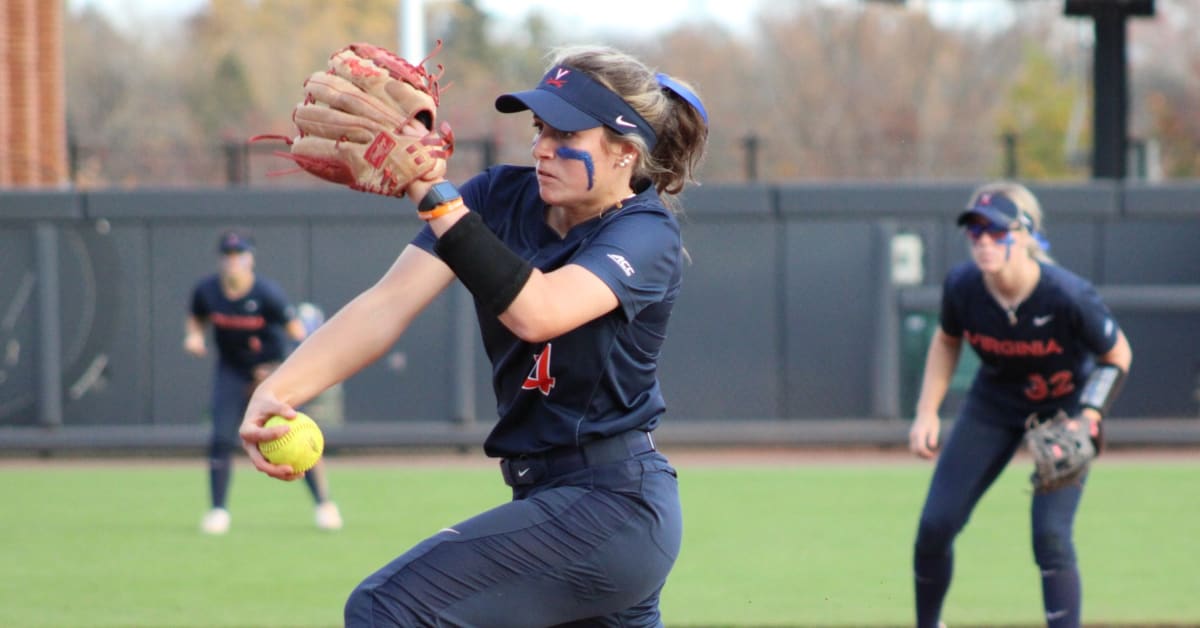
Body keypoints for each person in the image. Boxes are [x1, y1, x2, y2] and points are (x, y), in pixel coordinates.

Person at [239, 45, 708, 626]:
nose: (541, 147)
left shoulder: (645, 233)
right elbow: (386, 305)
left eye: (566, 135)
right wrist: (277, 391)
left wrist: (432, 196)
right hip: (555, 502)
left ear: (624, 152)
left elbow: (539, 311)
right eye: (540, 127)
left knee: (387, 608)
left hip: (610, 505)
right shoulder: (498, 198)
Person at [907, 182, 1133, 628]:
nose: (984, 242)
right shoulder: (964, 287)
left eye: (996, 231)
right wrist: (926, 412)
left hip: (1063, 409)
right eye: (975, 232)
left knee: (1050, 535)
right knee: (934, 527)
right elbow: (948, 339)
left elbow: (1118, 355)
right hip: (993, 404)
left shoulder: (1068, 295)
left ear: (1025, 235)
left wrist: (1088, 418)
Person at [184, 228, 342, 535]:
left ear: (250, 259)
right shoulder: (207, 291)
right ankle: (218, 511)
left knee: (299, 436)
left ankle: (324, 504)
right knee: (219, 437)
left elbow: (297, 334)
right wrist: (193, 335)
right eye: (228, 256)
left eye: (240, 255)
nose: (234, 262)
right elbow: (196, 315)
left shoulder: (267, 294)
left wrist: (278, 369)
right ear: (221, 260)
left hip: (272, 373)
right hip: (231, 370)